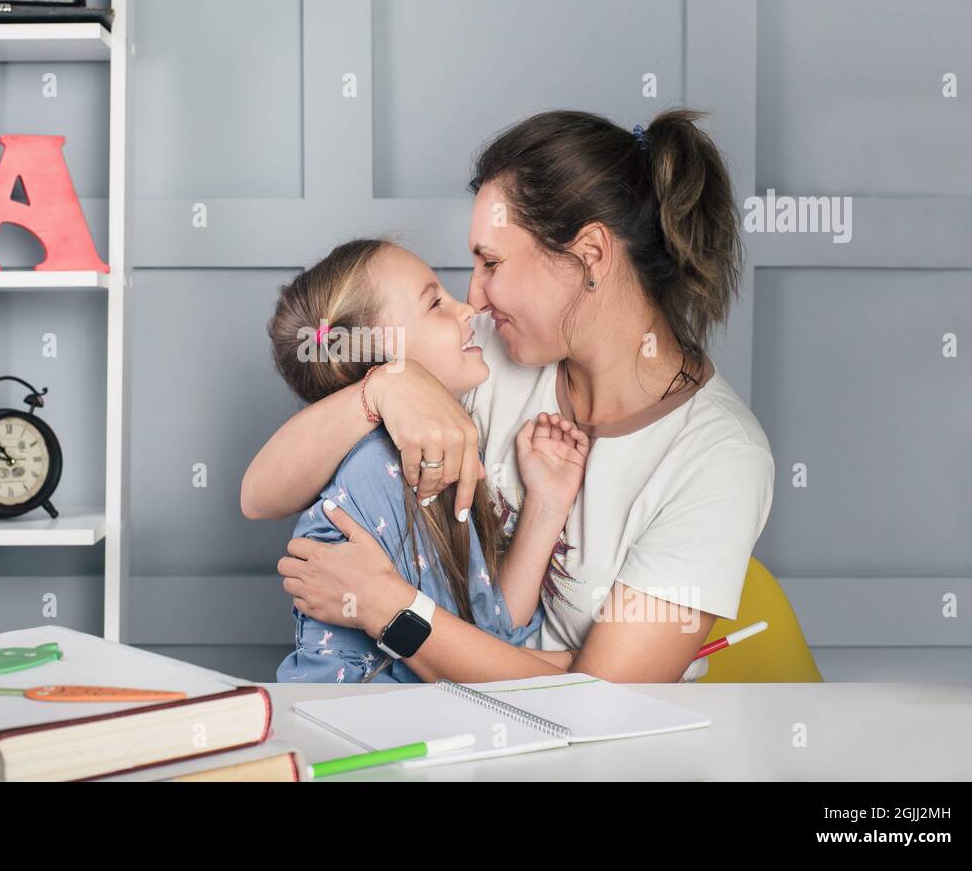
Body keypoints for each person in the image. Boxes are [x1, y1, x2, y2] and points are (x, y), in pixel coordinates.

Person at [243, 110, 775, 683]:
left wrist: (386, 609)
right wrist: (381, 388)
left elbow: (604, 700)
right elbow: (260, 497)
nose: (473, 296)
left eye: (491, 263)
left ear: (590, 256)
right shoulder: (482, 357)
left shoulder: (719, 458)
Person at [263, 238, 590, 683]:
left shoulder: (436, 451)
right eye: (435, 303)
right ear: (377, 356)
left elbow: (483, 627)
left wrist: (546, 504)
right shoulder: (374, 473)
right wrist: (577, 668)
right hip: (358, 725)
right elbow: (453, 664)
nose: (466, 309)